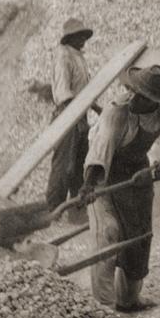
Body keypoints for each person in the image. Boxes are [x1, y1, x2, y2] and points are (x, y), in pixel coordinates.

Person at [80, 65, 160, 311]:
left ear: (156, 101)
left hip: (138, 170)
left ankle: (128, 300)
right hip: (103, 171)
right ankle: (104, 307)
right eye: (134, 91)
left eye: (143, 96)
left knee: (139, 236)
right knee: (108, 233)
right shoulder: (116, 113)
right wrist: (89, 186)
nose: (135, 98)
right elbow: (99, 155)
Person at [46, 18, 99, 211]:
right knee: (64, 166)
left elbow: (84, 92)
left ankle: (78, 210)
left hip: (79, 115)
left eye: (84, 35)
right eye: (79, 35)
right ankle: (54, 209)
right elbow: (64, 94)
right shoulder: (63, 56)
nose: (83, 39)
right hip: (67, 115)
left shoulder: (78, 56)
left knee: (79, 164)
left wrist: (97, 110)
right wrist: (76, 120)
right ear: (70, 37)